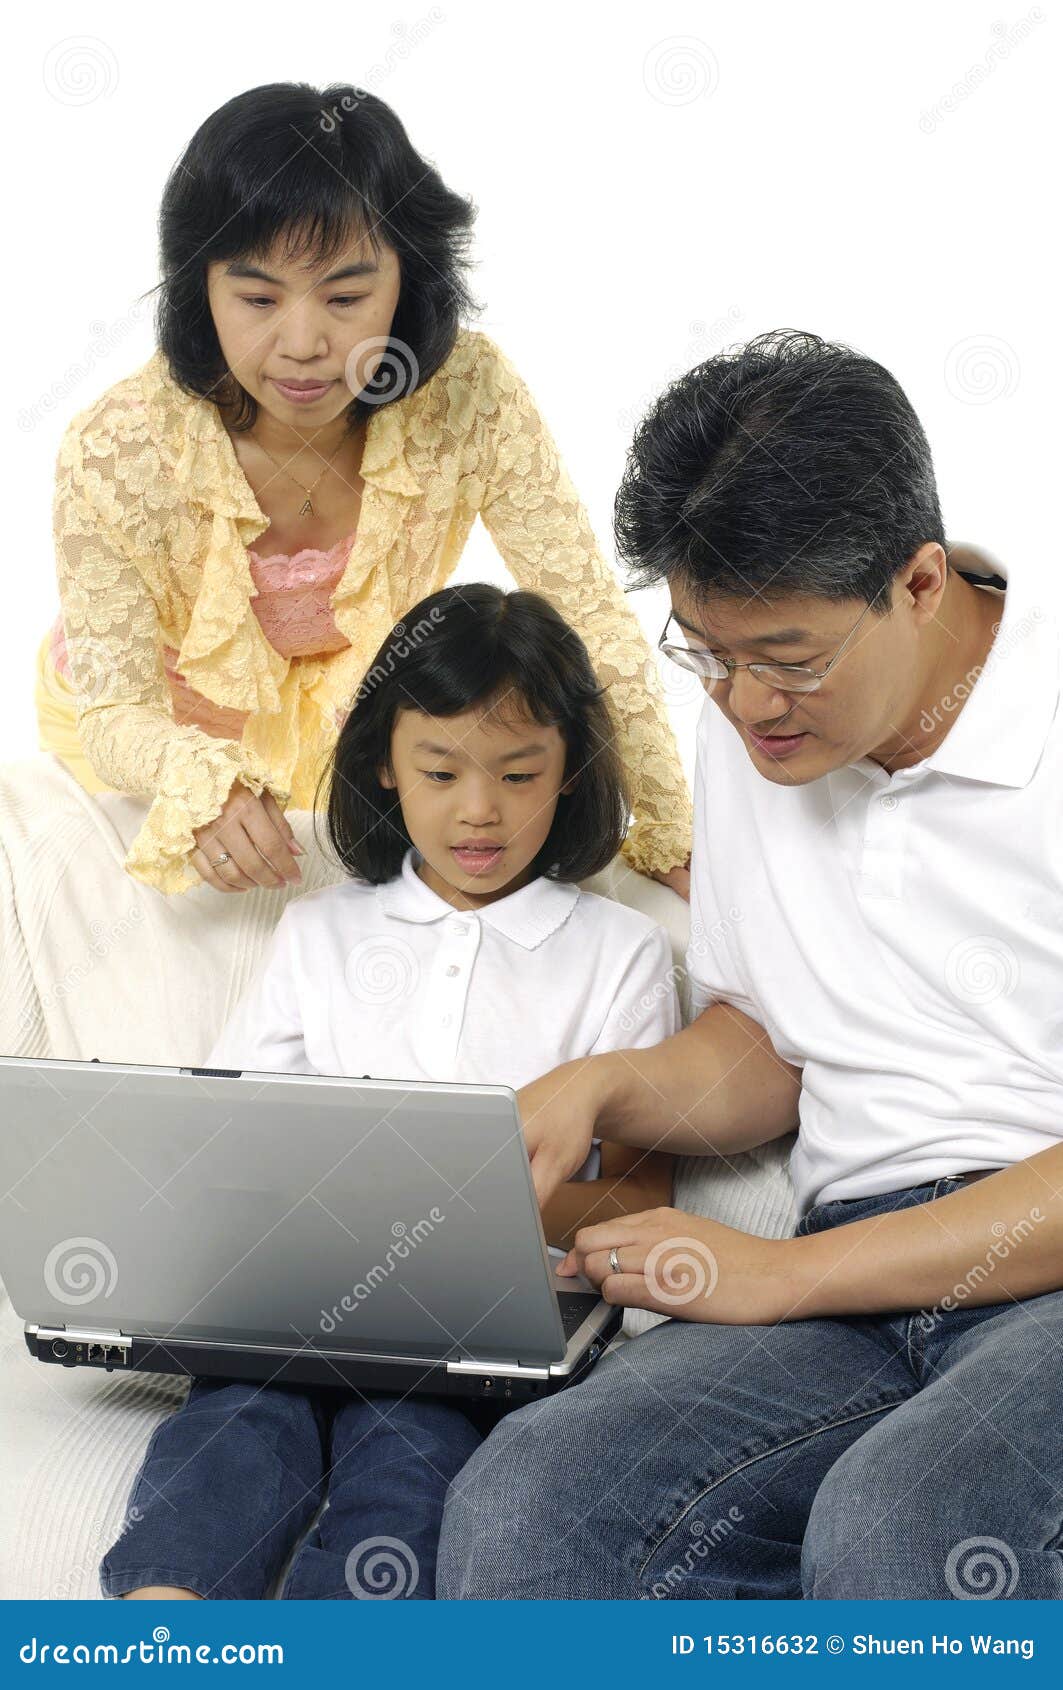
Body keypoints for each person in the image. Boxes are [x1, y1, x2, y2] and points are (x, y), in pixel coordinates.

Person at [436, 330, 1063, 1601]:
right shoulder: (755, 728)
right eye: (706, 654)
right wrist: (606, 1089)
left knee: (902, 1528)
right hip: (851, 1277)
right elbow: (772, 1041)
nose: (743, 704)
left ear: (922, 583)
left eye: (787, 658)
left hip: (1033, 1271)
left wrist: (783, 1273)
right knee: (526, 1502)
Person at [99, 584, 680, 1601]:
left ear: (570, 771)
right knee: (235, 1415)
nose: (480, 810)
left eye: (519, 773)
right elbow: (230, 1139)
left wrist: (480, 1199)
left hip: (483, 1319)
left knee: (408, 1450)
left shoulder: (615, 952)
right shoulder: (324, 930)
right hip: (300, 1296)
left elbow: (640, 1201)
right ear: (383, 764)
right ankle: (165, 1621)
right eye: (441, 771)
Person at [39, 81, 692, 900]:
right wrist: (195, 778)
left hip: (363, 714)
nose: (305, 344)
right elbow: (114, 712)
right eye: (257, 298)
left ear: (406, 281)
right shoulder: (117, 446)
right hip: (159, 731)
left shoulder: (467, 394)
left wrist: (667, 825)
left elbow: (585, 612)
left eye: (347, 297)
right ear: (199, 289)